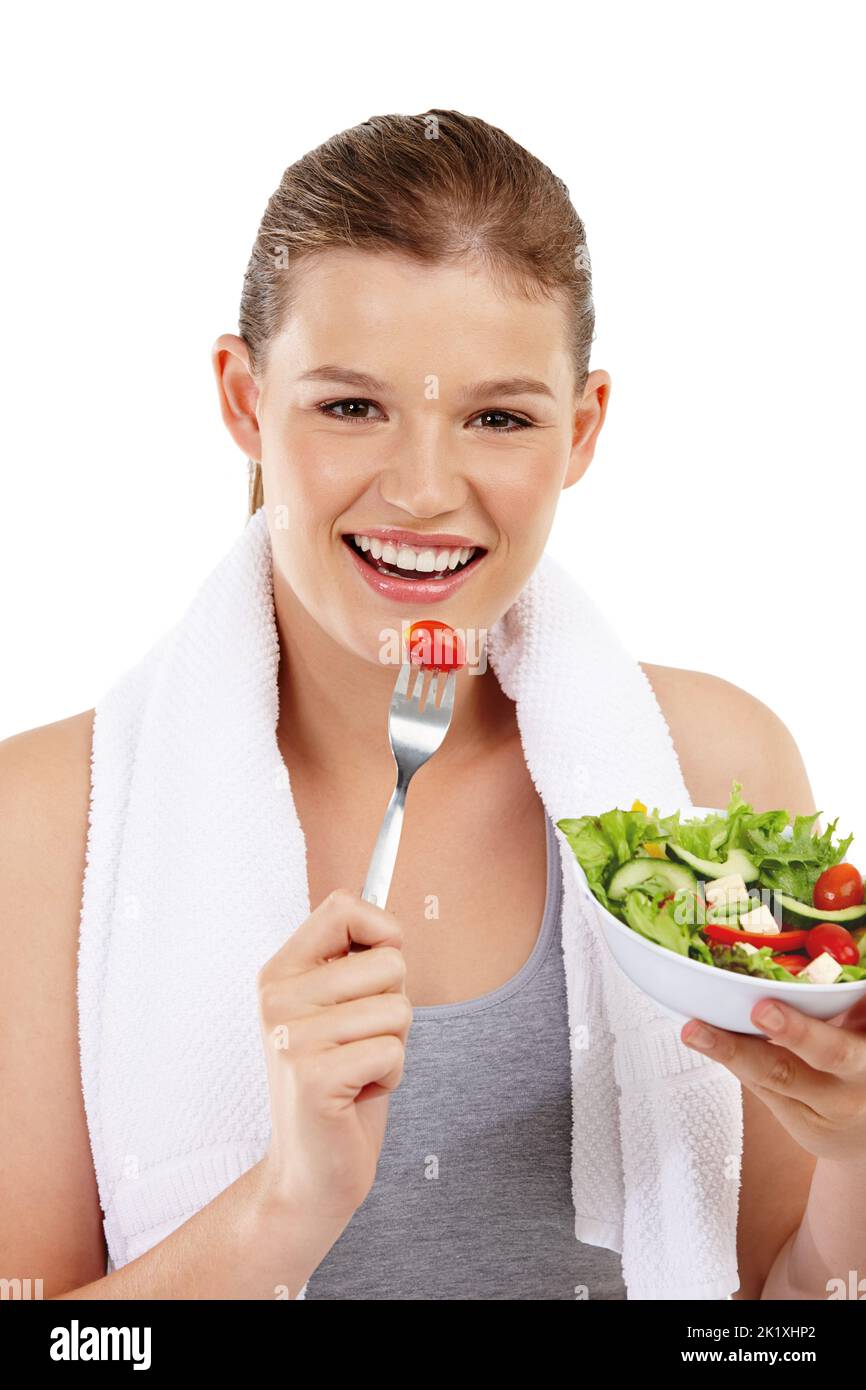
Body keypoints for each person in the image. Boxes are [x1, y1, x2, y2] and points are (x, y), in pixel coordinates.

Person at [2, 109, 864, 1302]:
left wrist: (856, 1154)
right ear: (244, 400)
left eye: (498, 417)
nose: (420, 491)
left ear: (583, 428)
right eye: (351, 407)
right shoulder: (45, 826)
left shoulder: (711, 772)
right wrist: (277, 1210)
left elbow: (780, 1317)